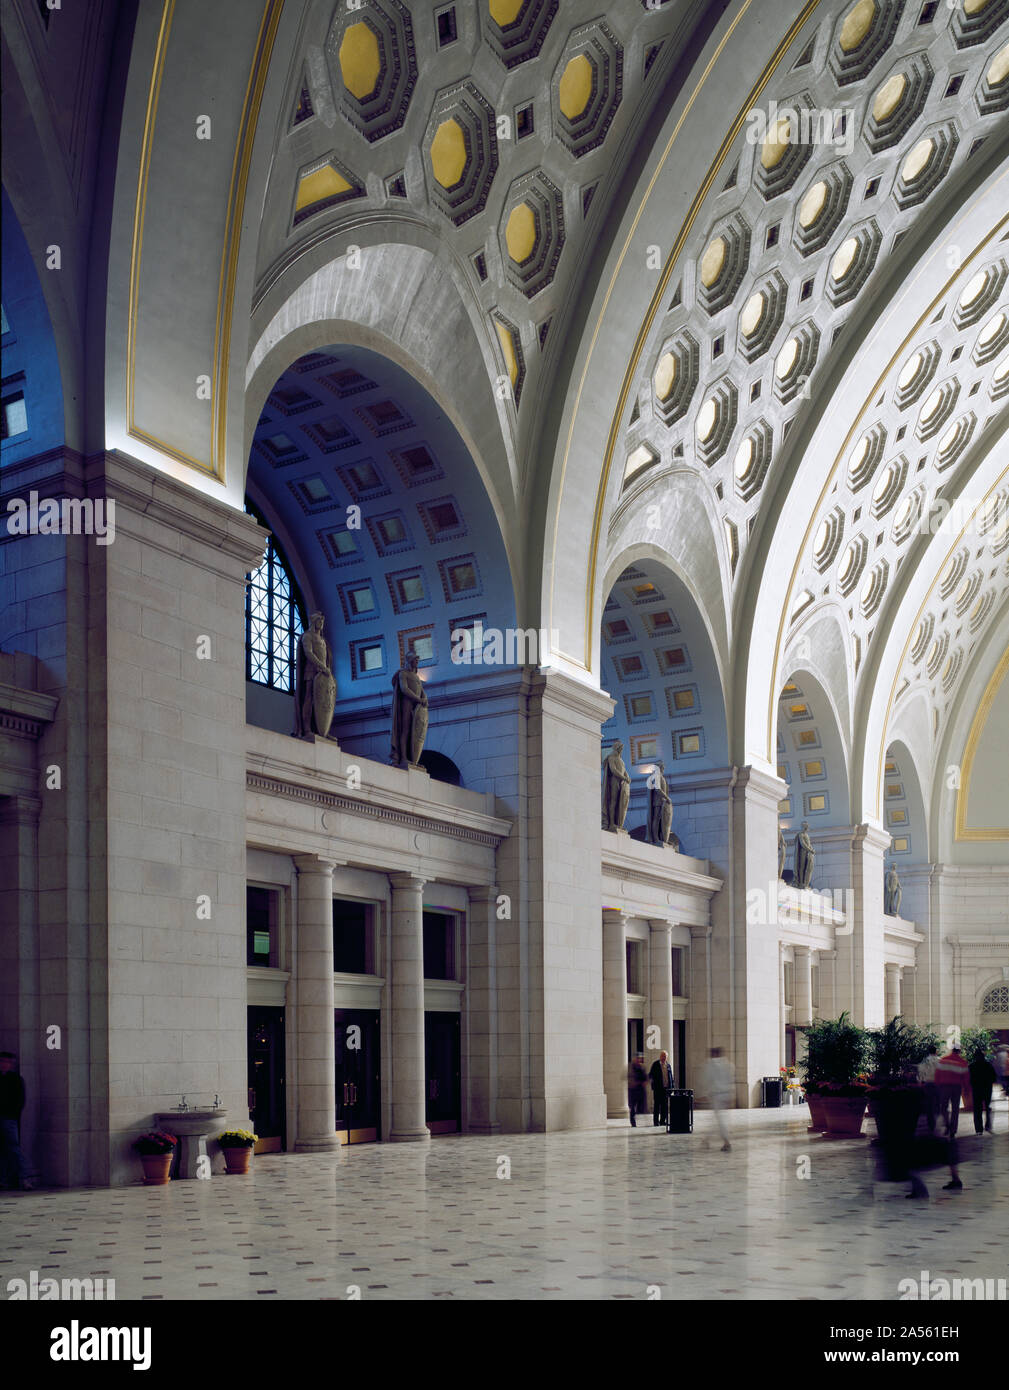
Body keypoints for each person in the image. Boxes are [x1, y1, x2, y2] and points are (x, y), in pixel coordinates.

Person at [0, 1052, 30, 1191]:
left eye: (7, 1062)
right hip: (7, 1117)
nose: (4, 1064)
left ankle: (24, 1179)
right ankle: (3, 1180)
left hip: (8, 1118)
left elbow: (19, 1100)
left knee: (13, 1149)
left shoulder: (16, 1079)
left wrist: (12, 1115)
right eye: (2, 1061)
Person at [934, 1045, 971, 1138]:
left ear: (952, 1050)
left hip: (944, 1087)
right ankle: (953, 1130)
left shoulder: (943, 1060)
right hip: (956, 1087)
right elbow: (966, 1078)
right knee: (955, 1109)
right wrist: (967, 1089)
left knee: (943, 1107)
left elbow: (937, 1074)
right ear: (959, 1051)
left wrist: (937, 1086)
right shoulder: (963, 1062)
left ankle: (947, 1124)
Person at [702, 1046, 733, 1151]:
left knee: (719, 1120)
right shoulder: (728, 1064)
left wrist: (706, 1093)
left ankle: (726, 1142)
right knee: (716, 1119)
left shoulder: (710, 1064)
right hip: (725, 1094)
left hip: (716, 1095)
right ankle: (706, 1139)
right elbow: (730, 1080)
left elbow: (707, 1079)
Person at [968, 1051, 996, 1135]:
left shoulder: (971, 1066)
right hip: (987, 1089)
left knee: (977, 1109)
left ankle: (979, 1130)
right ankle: (988, 1126)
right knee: (988, 1108)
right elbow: (994, 1077)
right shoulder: (988, 1065)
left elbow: (969, 1078)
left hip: (976, 1090)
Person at [649, 1050, 673, 1127]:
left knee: (664, 1106)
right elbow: (650, 1075)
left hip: (666, 1089)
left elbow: (671, 1077)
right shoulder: (655, 1064)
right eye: (662, 1056)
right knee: (657, 1106)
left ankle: (662, 1121)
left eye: (665, 1056)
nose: (663, 1057)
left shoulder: (668, 1065)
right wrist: (654, 1083)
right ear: (660, 1056)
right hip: (658, 1089)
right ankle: (656, 1122)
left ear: (667, 1057)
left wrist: (672, 1087)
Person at [917, 1047, 939, 1133]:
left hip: (928, 1084)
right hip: (938, 1084)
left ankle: (931, 1123)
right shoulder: (940, 1060)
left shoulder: (925, 1061)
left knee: (929, 1104)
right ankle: (937, 1120)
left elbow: (920, 1072)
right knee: (938, 1103)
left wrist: (920, 1082)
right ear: (936, 1051)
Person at [627, 1055, 647, 1128]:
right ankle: (633, 1122)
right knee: (632, 1107)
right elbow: (627, 1077)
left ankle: (637, 1120)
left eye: (640, 1059)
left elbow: (645, 1077)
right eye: (638, 1059)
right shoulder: (630, 1068)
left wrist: (645, 1082)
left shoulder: (642, 1067)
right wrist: (632, 1083)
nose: (639, 1060)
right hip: (633, 1090)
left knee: (640, 1106)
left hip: (640, 1090)